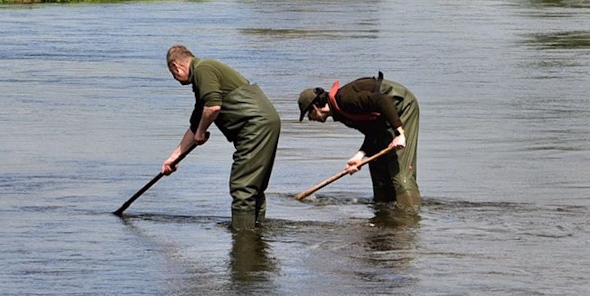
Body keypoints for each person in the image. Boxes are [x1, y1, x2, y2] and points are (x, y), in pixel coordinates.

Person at [163, 45, 281, 231]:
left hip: (255, 126)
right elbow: (195, 125)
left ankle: (243, 241)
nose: (175, 79)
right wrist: (174, 158)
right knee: (254, 187)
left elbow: (213, 107)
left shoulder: (202, 69)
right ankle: (256, 236)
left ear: (176, 66)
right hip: (264, 123)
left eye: (173, 74)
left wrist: (202, 131)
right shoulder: (203, 75)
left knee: (242, 187)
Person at [298, 74, 421, 208]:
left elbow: (382, 100)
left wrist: (400, 133)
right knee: (378, 169)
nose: (310, 119)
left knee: (399, 172)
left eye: (308, 115)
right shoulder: (339, 113)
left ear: (314, 108)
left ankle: (409, 219)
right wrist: (360, 155)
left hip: (401, 107)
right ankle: (385, 218)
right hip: (383, 122)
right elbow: (373, 131)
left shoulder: (345, 99)